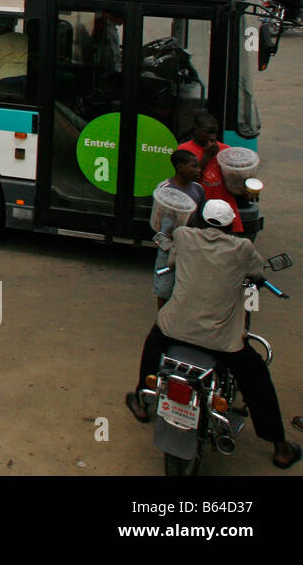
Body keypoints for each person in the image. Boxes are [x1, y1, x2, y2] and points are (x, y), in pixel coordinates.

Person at [125, 200, 300, 469]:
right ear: (231, 225)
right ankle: (280, 447)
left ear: (199, 219)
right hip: (221, 341)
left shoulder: (184, 237)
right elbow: (256, 271)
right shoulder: (242, 248)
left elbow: (173, 260)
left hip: (174, 329)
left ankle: (140, 398)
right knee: (256, 377)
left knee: (152, 345)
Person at [151, 149, 206, 310]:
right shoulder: (164, 188)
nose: (198, 170)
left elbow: (200, 219)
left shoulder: (198, 189)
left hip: (190, 245)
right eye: (193, 166)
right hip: (168, 247)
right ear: (180, 167)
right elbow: (157, 222)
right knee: (164, 286)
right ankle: (162, 319)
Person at [177, 111, 243, 234]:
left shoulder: (225, 150)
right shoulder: (185, 150)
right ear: (196, 130)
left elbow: (233, 182)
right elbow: (188, 181)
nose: (213, 137)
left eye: (215, 132)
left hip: (225, 212)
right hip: (200, 213)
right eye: (208, 132)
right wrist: (207, 157)